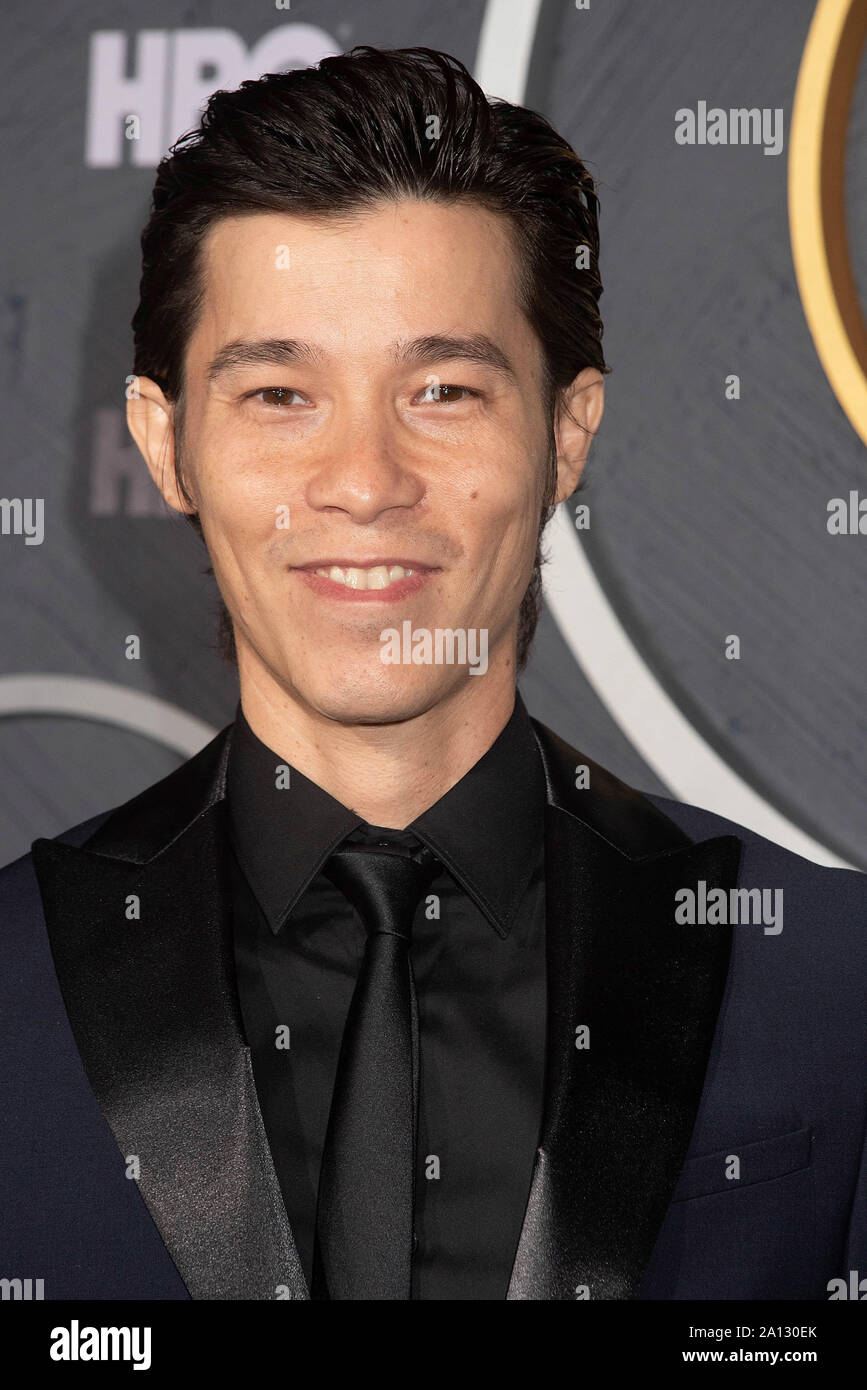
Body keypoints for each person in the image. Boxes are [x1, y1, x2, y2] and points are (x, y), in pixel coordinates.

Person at [1, 46, 865, 1302]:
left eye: (445, 389)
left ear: (566, 435)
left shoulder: (830, 977)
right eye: (281, 393)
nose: (363, 480)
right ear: (166, 443)